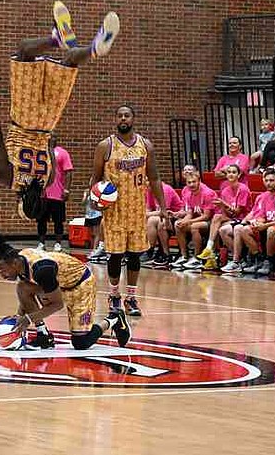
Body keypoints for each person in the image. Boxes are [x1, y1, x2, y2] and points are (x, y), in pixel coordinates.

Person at [0, 1, 120, 219]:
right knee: (24, 52)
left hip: (49, 122)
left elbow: (52, 143)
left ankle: (93, 50)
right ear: (20, 203)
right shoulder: (7, 176)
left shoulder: (49, 179)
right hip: (25, 119)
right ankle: (56, 39)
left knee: (69, 62)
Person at [0, 231, 132, 348]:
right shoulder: (20, 260)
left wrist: (28, 319)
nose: (2, 275)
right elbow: (26, 293)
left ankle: (114, 319)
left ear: (14, 263)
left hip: (80, 285)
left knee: (81, 342)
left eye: (2, 270)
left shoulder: (42, 270)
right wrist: (19, 317)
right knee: (22, 288)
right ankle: (43, 335)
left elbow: (57, 305)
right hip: (58, 284)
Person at [92, 104, 167, 317]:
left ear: (133, 119)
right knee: (115, 256)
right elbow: (95, 179)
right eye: (120, 116)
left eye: (127, 115)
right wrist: (95, 202)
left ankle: (131, 298)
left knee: (134, 256)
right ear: (115, 120)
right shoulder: (105, 146)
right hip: (114, 210)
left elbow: (154, 178)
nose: (123, 119)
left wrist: (163, 208)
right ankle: (114, 295)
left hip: (136, 210)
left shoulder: (146, 145)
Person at [222, 168, 275, 276]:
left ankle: (269, 261)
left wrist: (265, 225)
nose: (268, 183)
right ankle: (259, 259)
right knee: (244, 230)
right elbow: (262, 216)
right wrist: (256, 223)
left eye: (271, 181)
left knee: (271, 230)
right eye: (266, 180)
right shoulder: (264, 196)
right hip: (269, 224)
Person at [196, 164, 250, 270]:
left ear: (239, 175)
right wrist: (222, 206)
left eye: (234, 172)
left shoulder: (243, 189)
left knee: (219, 227)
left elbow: (237, 212)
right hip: (232, 219)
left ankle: (215, 253)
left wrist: (223, 204)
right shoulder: (225, 190)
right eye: (229, 172)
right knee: (217, 220)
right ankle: (211, 250)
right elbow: (228, 214)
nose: (231, 174)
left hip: (244, 219)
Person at [173, 170, 217, 271]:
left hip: (211, 222)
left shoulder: (207, 193)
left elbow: (207, 216)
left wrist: (189, 222)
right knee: (178, 224)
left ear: (199, 181)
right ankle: (184, 256)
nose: (191, 184)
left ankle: (197, 258)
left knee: (194, 227)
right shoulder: (189, 193)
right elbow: (190, 213)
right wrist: (184, 221)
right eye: (189, 182)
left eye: (194, 182)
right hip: (198, 219)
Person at [37, 134, 73, 251]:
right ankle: (41, 243)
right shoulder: (41, 153)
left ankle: (58, 244)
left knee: (58, 220)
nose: (50, 140)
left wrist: (66, 189)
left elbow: (68, 172)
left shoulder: (62, 153)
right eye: (48, 138)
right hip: (43, 194)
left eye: (53, 138)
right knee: (41, 219)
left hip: (57, 193)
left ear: (56, 139)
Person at [145, 181, 184, 268]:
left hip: (175, 216)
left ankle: (166, 254)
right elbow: (147, 210)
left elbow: (165, 212)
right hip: (162, 216)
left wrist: (152, 213)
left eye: (147, 180)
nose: (145, 183)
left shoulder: (165, 190)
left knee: (160, 223)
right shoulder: (150, 190)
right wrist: (153, 213)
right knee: (151, 220)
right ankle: (150, 250)